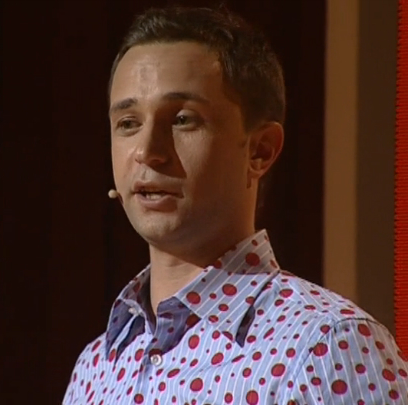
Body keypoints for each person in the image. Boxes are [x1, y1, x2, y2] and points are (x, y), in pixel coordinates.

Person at [63, 5, 408, 404]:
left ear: (260, 150)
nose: (147, 151)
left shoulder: (327, 346)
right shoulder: (96, 366)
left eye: (183, 119)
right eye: (128, 123)